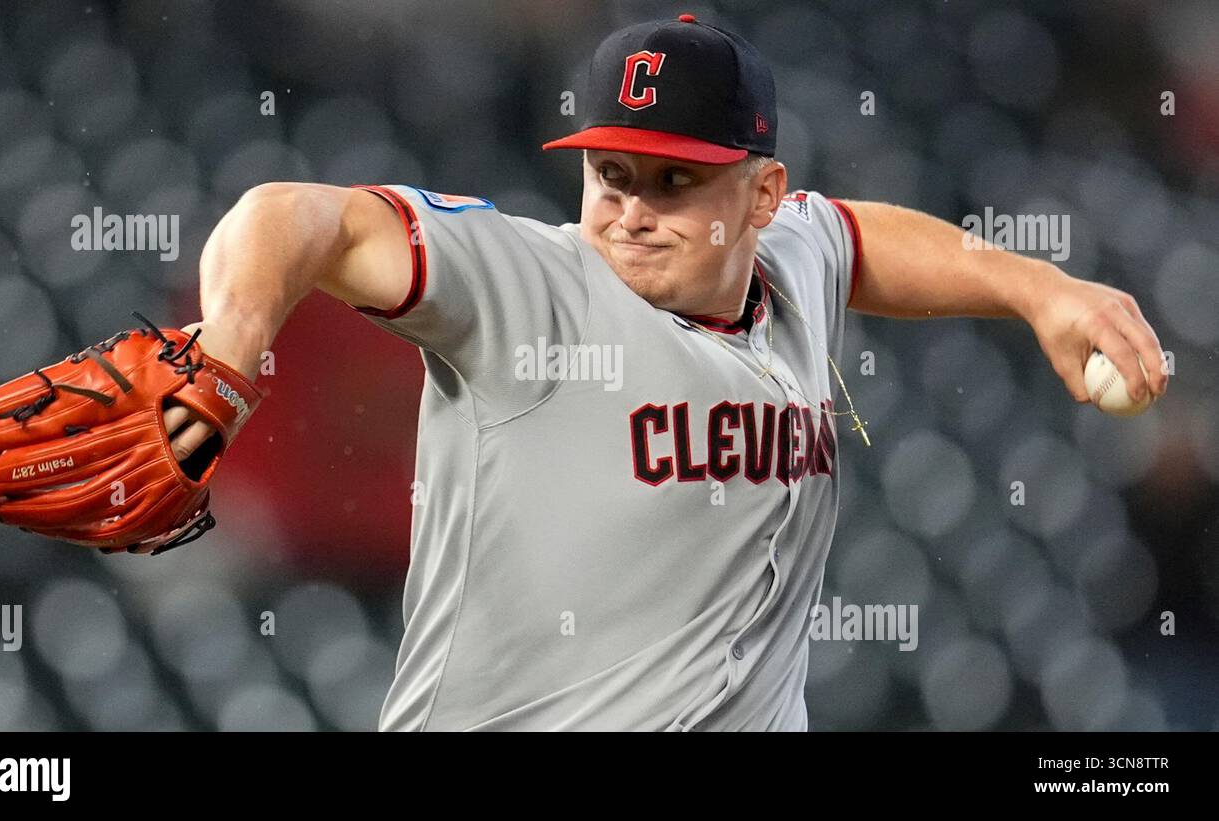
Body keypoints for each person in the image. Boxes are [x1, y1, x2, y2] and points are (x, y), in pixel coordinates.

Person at [164, 14, 1167, 730]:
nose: (631, 210)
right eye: (612, 173)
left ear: (762, 191)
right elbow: (292, 214)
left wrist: (1036, 286)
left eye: (674, 180)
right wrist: (225, 353)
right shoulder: (525, 283)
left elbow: (857, 240)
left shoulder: (793, 256)